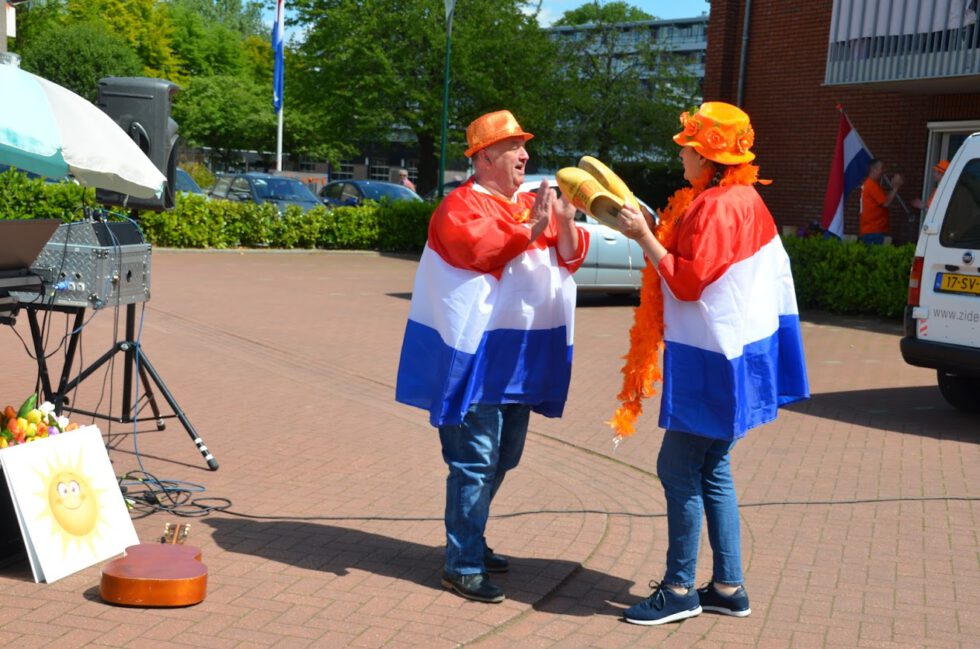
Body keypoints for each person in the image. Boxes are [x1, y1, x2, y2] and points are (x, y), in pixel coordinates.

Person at [610, 102, 810, 625]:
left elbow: (687, 282)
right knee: (712, 468)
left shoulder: (719, 206)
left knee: (677, 467)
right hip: (736, 360)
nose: (679, 151)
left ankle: (679, 590)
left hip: (714, 362)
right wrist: (656, 227)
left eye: (687, 145)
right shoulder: (742, 200)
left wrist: (642, 237)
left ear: (708, 155)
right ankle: (728, 585)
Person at [394, 110, 588, 603]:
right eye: (512, 147)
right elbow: (483, 249)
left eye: (524, 146)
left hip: (518, 361)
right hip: (476, 363)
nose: (525, 155)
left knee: (505, 457)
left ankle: (471, 540)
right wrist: (536, 223)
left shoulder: (528, 204)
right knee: (474, 463)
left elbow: (566, 258)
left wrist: (562, 221)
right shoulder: (459, 206)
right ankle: (461, 564)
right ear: (483, 158)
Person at [859, 158, 904, 244]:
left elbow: (884, 199)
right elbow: (886, 203)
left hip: (872, 230)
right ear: (873, 169)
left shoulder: (871, 184)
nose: (883, 171)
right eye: (881, 168)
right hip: (873, 230)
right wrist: (896, 187)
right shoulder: (871, 185)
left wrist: (894, 188)